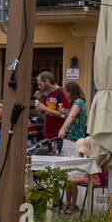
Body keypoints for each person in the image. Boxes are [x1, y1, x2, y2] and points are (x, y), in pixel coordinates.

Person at [59, 82, 88, 212]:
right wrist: (63, 112)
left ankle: (73, 204)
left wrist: (63, 128)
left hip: (74, 141)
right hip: (72, 140)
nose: (64, 93)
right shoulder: (77, 103)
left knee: (72, 175)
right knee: (67, 175)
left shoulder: (78, 102)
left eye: (65, 91)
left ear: (71, 91)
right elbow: (71, 116)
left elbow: (72, 116)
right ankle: (68, 202)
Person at [33, 71, 70, 145]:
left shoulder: (61, 92)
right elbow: (47, 113)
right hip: (48, 135)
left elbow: (65, 114)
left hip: (59, 136)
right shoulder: (48, 94)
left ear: (47, 81)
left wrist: (45, 109)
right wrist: (40, 108)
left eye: (40, 84)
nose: (39, 87)